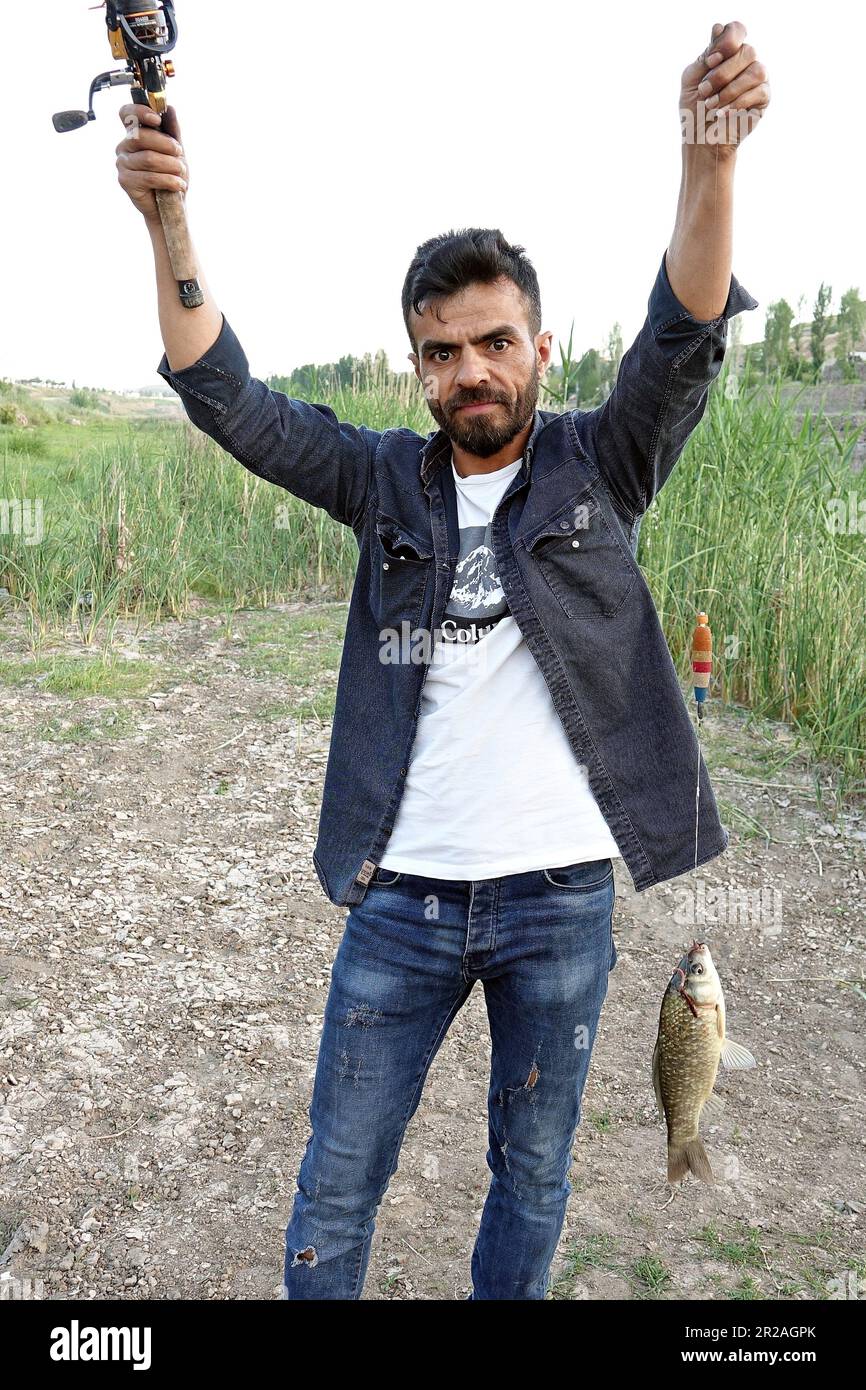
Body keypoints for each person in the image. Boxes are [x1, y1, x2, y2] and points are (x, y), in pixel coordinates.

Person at [115, 20, 768, 1300]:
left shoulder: (599, 464)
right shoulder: (380, 481)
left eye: (493, 342)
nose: (469, 371)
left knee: (532, 1175)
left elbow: (681, 334)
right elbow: (228, 397)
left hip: (560, 901)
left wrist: (708, 161)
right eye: (441, 351)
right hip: (399, 899)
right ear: (417, 366)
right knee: (337, 1178)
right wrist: (166, 223)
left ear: (538, 348)